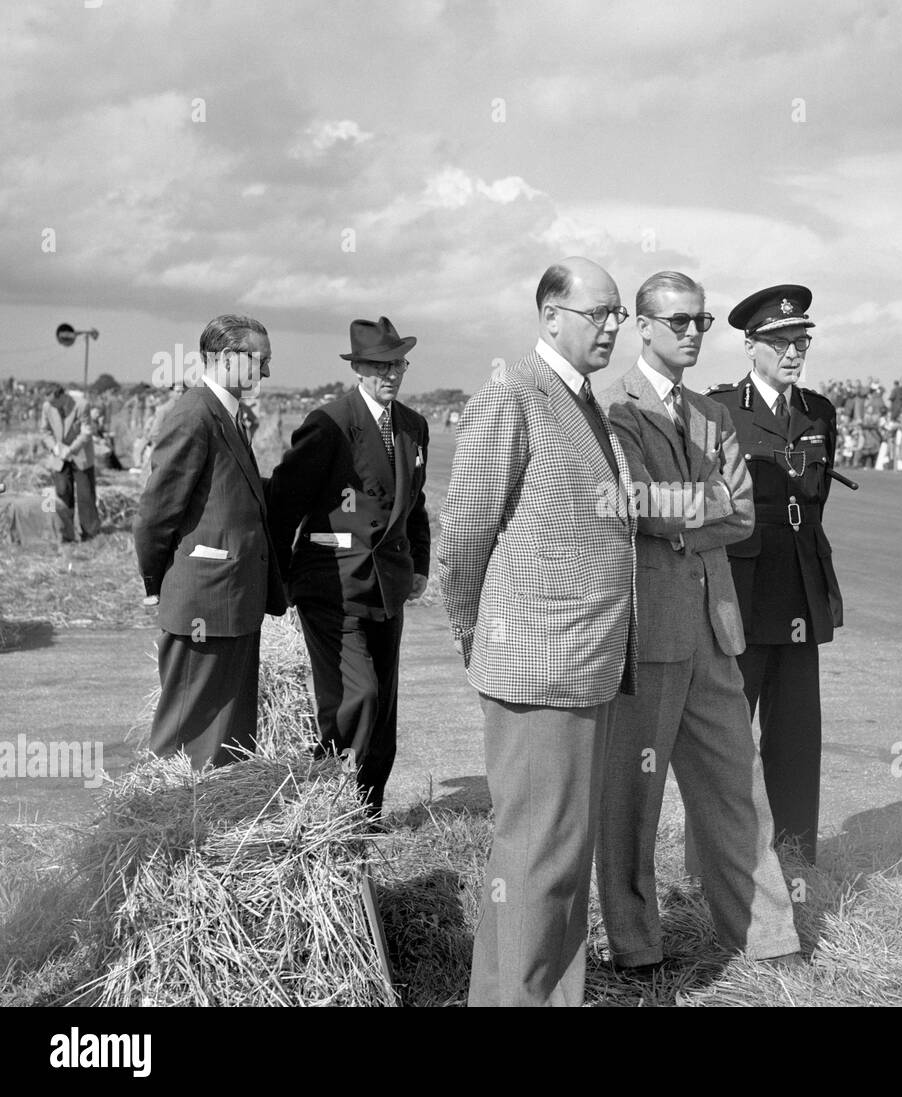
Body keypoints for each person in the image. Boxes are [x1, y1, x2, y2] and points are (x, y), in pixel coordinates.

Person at [437, 257, 638, 1007]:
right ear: (551, 314)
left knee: (555, 854)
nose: (614, 325)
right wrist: (477, 634)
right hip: (536, 665)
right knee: (533, 855)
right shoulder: (514, 396)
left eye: (618, 312)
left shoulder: (585, 402)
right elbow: (463, 539)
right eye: (600, 312)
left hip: (581, 662)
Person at [596, 271, 801, 975]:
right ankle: (635, 945)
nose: (692, 333)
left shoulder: (712, 415)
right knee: (631, 803)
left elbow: (742, 515)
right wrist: (699, 507)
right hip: (647, 633)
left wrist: (679, 518)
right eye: (678, 321)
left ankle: (766, 936)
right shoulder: (612, 411)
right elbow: (627, 502)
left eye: (701, 322)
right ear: (643, 327)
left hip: (715, 630)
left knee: (739, 790)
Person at [268, 317, 431, 815]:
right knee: (357, 697)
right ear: (358, 367)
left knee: (383, 711)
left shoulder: (413, 426)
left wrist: (419, 563)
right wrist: (277, 581)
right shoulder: (329, 422)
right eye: (379, 365)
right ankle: (325, 801)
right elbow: (283, 503)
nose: (391, 373)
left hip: (388, 587)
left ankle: (365, 815)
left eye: (397, 363)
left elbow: (415, 504)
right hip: (330, 583)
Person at [706, 285, 843, 864]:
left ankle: (794, 857)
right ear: (750, 347)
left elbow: (814, 507)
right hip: (741, 594)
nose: (793, 352)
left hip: (799, 591)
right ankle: (720, 862)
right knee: (726, 742)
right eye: (780, 341)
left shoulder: (819, 413)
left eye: (801, 341)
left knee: (795, 737)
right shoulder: (718, 412)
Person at [134, 315, 286, 768]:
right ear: (224, 358)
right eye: (260, 360)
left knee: (225, 737)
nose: (266, 372)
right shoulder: (194, 412)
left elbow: (231, 489)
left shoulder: (225, 412)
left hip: (231, 599)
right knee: (185, 735)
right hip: (205, 600)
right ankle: (167, 823)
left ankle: (216, 828)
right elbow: (156, 512)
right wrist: (154, 581)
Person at [41, 384, 99, 542]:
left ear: (62, 396)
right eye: (49, 403)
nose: (52, 405)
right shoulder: (47, 406)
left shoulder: (81, 405)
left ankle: (90, 534)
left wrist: (71, 449)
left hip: (80, 455)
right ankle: (65, 533)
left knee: (85, 496)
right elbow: (45, 431)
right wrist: (54, 447)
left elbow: (86, 432)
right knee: (62, 494)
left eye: (54, 402)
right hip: (59, 457)